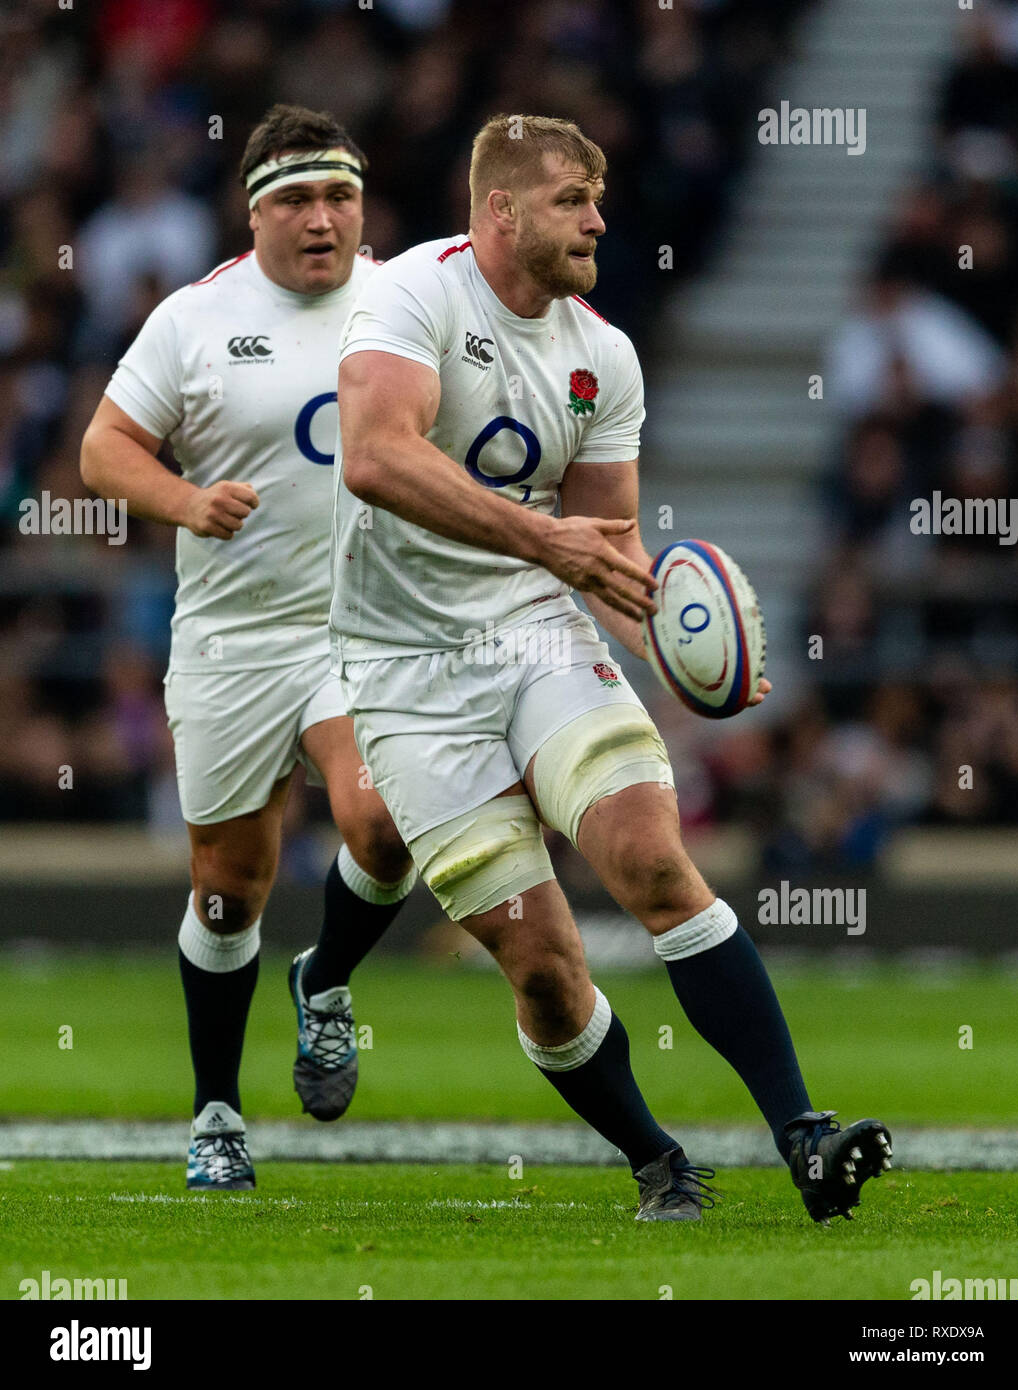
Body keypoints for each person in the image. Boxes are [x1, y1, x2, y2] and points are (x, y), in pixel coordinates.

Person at [331, 114, 892, 1223]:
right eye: (570, 199)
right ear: (499, 211)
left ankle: (802, 1135)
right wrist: (546, 541)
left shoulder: (605, 355)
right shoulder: (410, 295)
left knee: (649, 860)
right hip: (404, 666)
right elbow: (373, 455)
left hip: (538, 631)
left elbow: (605, 547)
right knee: (542, 968)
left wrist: (680, 646)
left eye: (598, 195)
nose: (597, 217)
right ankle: (654, 1156)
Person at [80, 104, 415, 1191]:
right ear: (255, 210)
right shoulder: (195, 317)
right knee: (230, 890)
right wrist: (183, 498)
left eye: (340, 197)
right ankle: (217, 1108)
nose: (323, 220)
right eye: (298, 200)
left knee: (381, 820)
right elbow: (102, 448)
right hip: (230, 637)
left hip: (357, 626)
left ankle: (324, 983)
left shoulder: (405, 301)